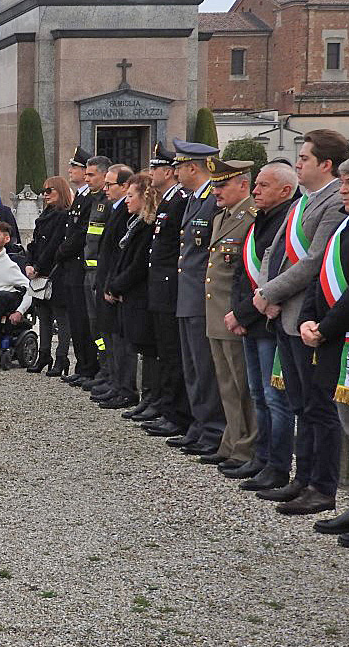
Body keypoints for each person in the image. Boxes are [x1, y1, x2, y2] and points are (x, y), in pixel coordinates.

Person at [253, 130, 349, 513]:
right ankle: (302, 478)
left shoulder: (333, 203)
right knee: (298, 405)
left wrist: (270, 294)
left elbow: (313, 261)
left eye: (305, 158)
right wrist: (266, 294)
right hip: (282, 313)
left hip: (306, 318)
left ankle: (321, 487)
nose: (298, 163)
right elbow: (275, 250)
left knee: (317, 408)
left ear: (326, 164)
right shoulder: (302, 202)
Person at [299, 150, 349, 543]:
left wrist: (325, 327)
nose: (342, 190)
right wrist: (309, 317)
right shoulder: (346, 224)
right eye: (342, 182)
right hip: (336, 339)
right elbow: (320, 274)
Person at [226, 161, 298, 490]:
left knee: (274, 398)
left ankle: (277, 466)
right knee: (257, 394)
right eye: (255, 185)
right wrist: (239, 314)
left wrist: (244, 314)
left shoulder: (288, 221)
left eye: (263, 186)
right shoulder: (261, 219)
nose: (255, 191)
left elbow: (278, 277)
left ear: (285, 190)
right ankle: (261, 457)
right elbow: (243, 272)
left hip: (268, 322)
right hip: (250, 320)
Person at [202, 157, 259, 471]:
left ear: (243, 184)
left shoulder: (251, 217)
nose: (216, 191)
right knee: (226, 383)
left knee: (243, 385)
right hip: (216, 313)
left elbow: (247, 271)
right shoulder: (222, 217)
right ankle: (231, 440)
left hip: (235, 315)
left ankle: (247, 447)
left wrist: (241, 313)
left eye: (222, 184)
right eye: (214, 184)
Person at [171, 139, 227, 459]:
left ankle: (213, 429)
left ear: (193, 167)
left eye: (179, 166)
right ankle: (199, 423)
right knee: (192, 366)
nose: (176, 171)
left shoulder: (211, 200)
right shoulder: (195, 199)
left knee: (205, 368)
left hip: (202, 296)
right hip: (188, 294)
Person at [137, 142, 194, 440]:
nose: (151, 173)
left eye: (155, 168)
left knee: (172, 353)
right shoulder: (168, 201)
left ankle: (176, 414)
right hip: (160, 285)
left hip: (171, 286)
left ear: (169, 172)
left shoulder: (179, 200)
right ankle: (167, 408)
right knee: (164, 351)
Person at [106, 173, 160, 413]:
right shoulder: (135, 223)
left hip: (140, 294)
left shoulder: (147, 225)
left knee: (146, 347)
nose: (126, 200)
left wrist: (117, 285)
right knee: (128, 340)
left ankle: (146, 395)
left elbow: (139, 264)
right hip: (127, 292)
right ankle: (133, 391)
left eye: (131, 195)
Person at [90, 164, 137, 409]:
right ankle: (115, 381)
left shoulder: (127, 213)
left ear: (125, 186)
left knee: (121, 339)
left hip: (115, 285)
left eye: (110, 185)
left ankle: (124, 386)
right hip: (106, 280)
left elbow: (121, 254)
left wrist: (112, 285)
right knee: (108, 334)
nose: (105, 189)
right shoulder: (114, 208)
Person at [56, 153, 105, 385]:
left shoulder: (93, 198)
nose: (73, 172)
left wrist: (63, 250)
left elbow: (81, 233)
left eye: (77, 168)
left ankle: (90, 367)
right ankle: (83, 365)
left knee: (86, 321)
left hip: (81, 264)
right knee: (77, 319)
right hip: (73, 265)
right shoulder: (82, 196)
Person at [25, 176, 74, 375]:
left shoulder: (63, 215)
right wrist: (29, 263)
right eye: (43, 191)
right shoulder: (45, 214)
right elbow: (35, 243)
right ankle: (44, 354)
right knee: (43, 316)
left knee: (60, 317)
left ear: (60, 191)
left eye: (49, 191)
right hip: (40, 271)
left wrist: (37, 265)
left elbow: (54, 245)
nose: (45, 195)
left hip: (55, 272)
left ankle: (61, 357)